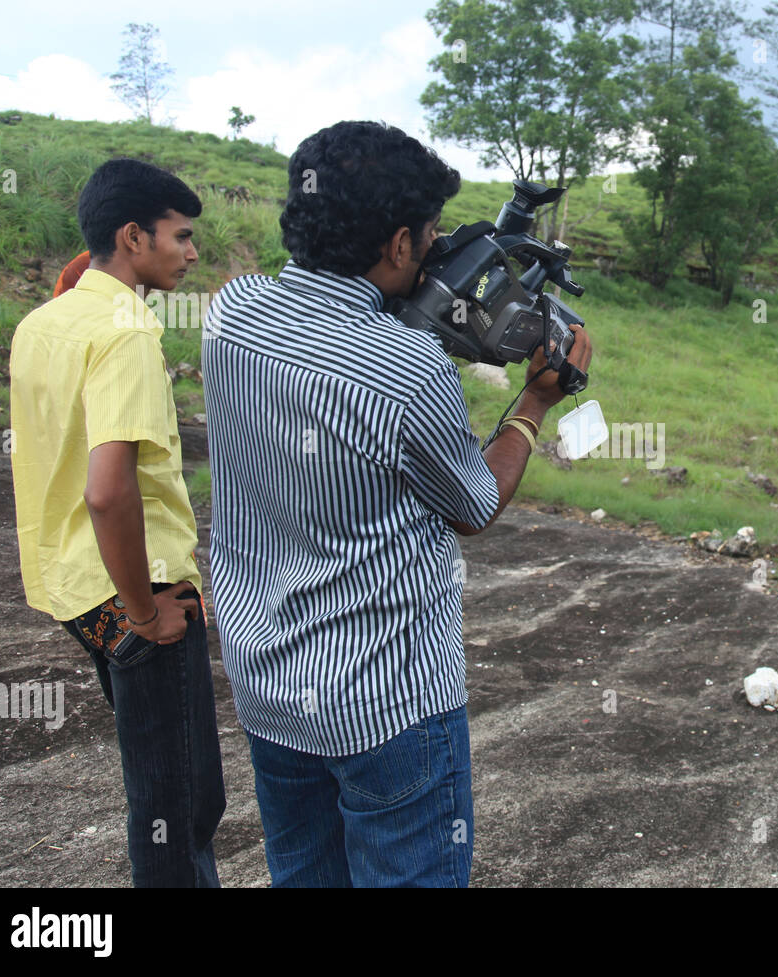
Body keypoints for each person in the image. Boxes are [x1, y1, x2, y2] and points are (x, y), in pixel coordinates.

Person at [202, 121, 592, 888]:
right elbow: (473, 505)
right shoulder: (407, 369)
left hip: (269, 686)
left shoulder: (231, 313)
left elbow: (343, 336)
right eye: (430, 234)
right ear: (400, 246)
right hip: (389, 709)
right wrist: (534, 404)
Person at [8, 158, 226, 886]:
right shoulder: (127, 334)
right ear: (134, 236)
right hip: (138, 591)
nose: (192, 253)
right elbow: (110, 491)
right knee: (179, 810)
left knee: (165, 794)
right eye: (181, 236)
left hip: (75, 587)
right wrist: (146, 611)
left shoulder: (44, 322)